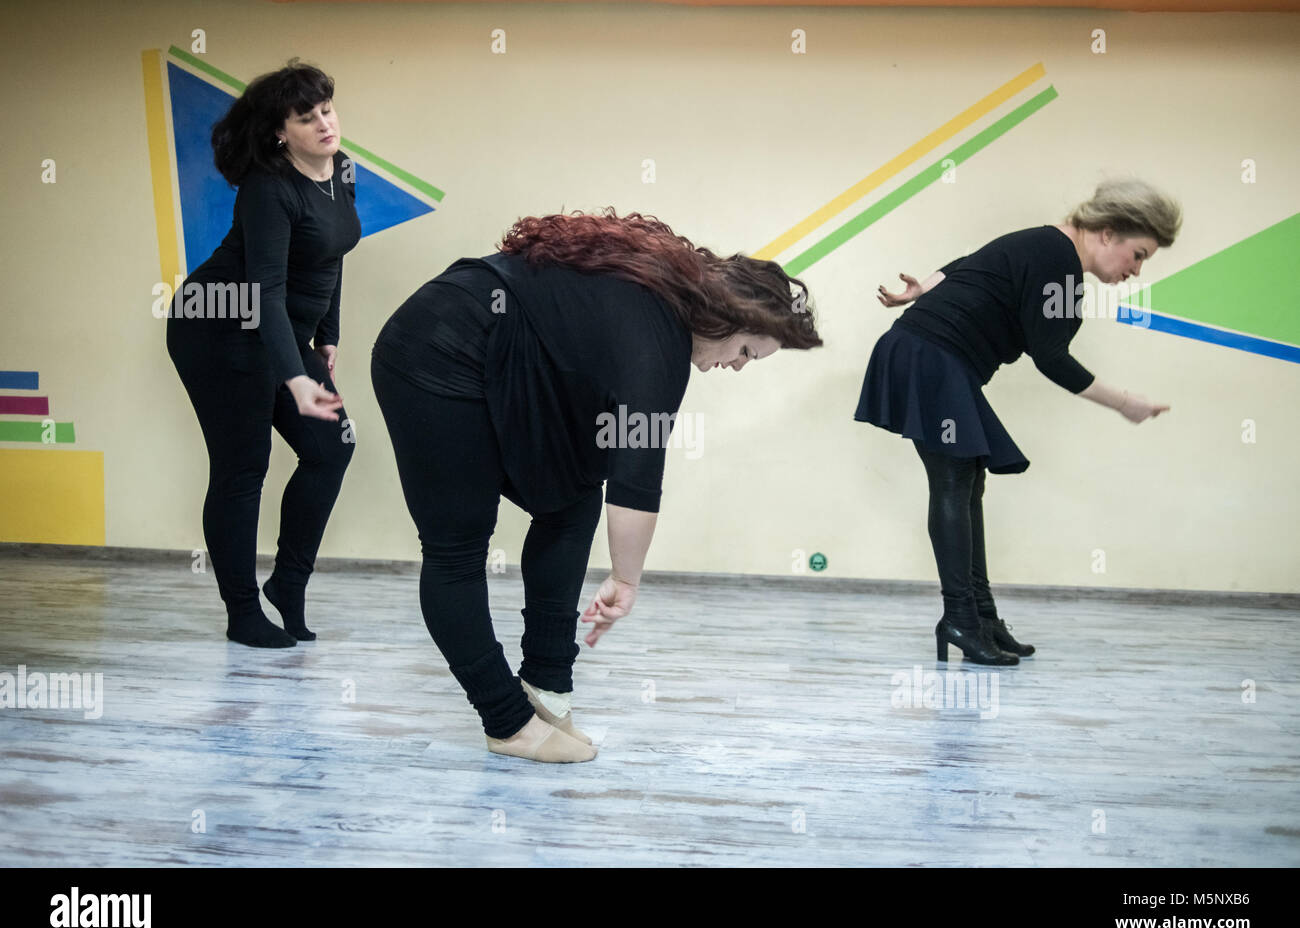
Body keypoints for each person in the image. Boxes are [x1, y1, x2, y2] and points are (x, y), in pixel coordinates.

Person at [371, 209, 822, 762]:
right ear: (729, 316)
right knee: (457, 545)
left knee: (573, 494)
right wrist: (626, 582)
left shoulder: (663, 302)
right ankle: (506, 721)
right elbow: (637, 481)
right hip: (434, 347)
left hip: (509, 357)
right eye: (748, 352)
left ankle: (546, 686)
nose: (739, 366)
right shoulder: (659, 342)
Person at [858, 179, 1182, 665]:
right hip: (930, 355)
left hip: (936, 357)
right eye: (1139, 255)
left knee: (967, 483)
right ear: (1109, 233)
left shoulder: (1046, 244)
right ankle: (962, 621)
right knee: (953, 483)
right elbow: (1050, 357)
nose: (1135, 271)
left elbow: (970, 263)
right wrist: (1124, 402)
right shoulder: (1057, 257)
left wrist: (927, 285)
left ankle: (980, 616)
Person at [166, 61, 360, 649]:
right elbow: (264, 290)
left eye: (327, 108)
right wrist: (293, 378)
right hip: (218, 326)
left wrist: (326, 334)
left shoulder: (342, 169)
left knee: (331, 447)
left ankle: (288, 586)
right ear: (281, 132)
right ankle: (242, 613)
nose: (325, 124)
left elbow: (335, 251)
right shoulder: (268, 188)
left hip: (277, 328)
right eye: (308, 118)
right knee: (244, 465)